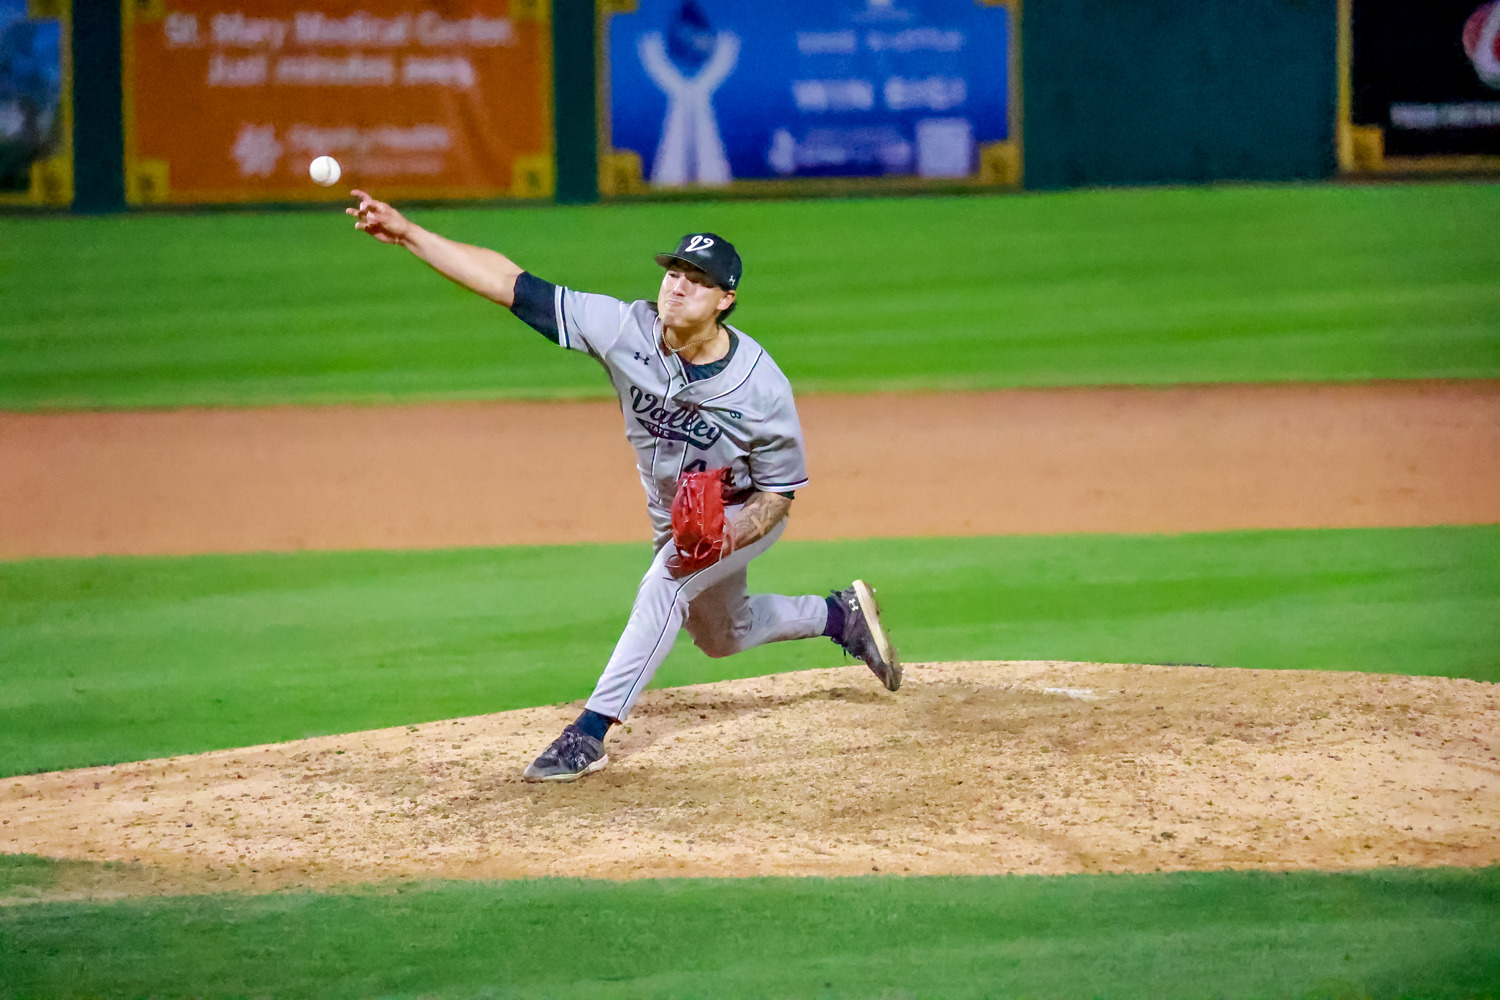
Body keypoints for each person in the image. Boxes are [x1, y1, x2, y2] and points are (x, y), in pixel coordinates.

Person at [347, 190, 900, 782]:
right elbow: (512, 283)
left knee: (666, 583)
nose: (677, 287)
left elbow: (779, 493)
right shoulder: (623, 329)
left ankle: (589, 734)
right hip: (673, 512)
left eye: (697, 280)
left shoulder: (761, 388)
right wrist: (409, 233)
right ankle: (838, 616)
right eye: (674, 273)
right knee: (721, 634)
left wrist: (729, 534)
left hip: (739, 511)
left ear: (725, 300)